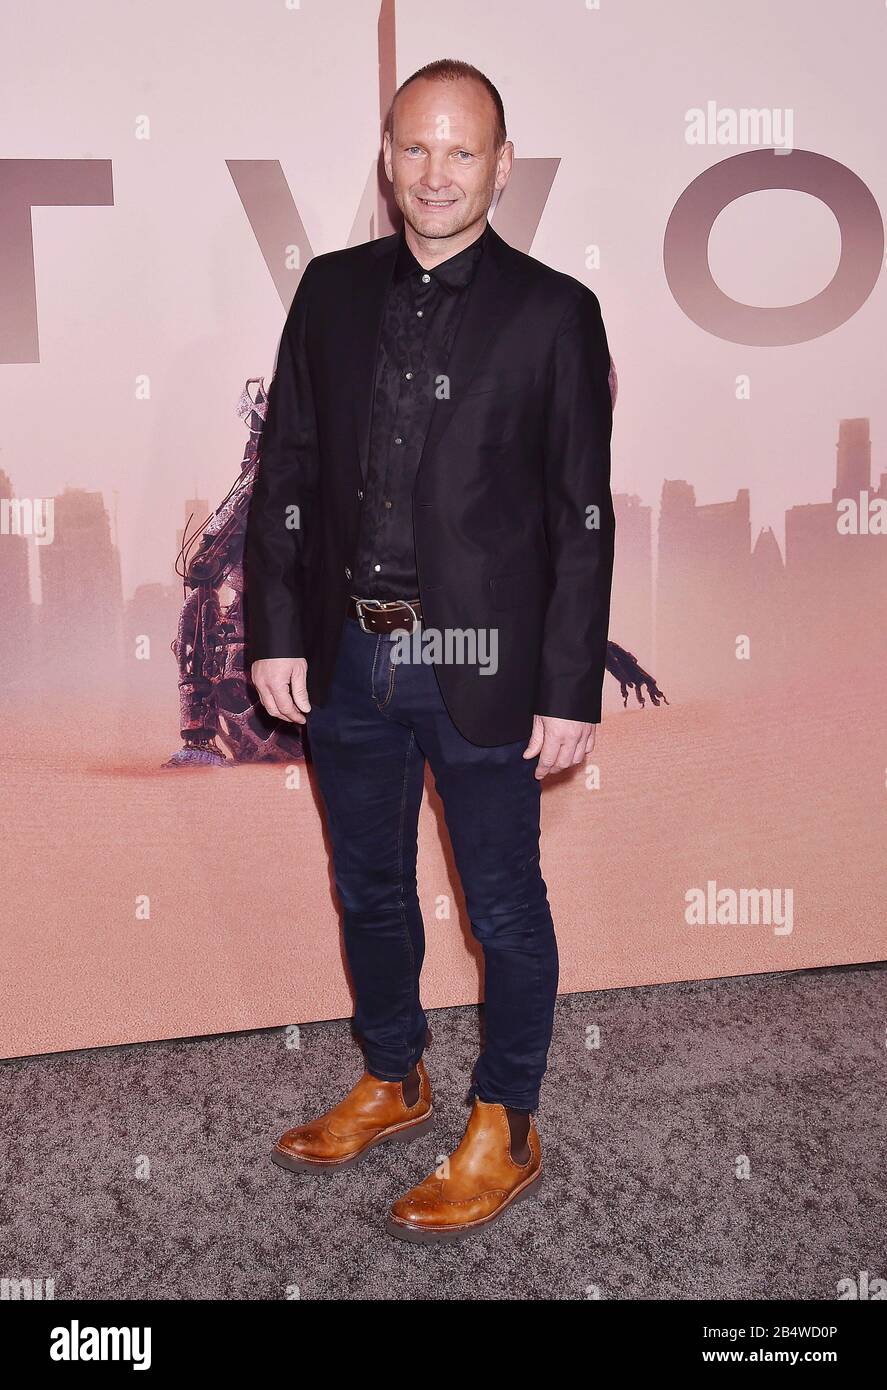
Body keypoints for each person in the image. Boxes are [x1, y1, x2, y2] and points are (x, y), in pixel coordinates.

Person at [245, 58, 615, 1243]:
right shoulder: (332, 291)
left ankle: (504, 1117)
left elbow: (579, 513)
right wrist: (274, 631)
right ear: (385, 160)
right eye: (414, 148)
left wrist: (567, 684)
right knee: (367, 886)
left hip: (484, 664)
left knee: (500, 907)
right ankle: (395, 1074)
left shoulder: (554, 311)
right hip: (351, 658)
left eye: (461, 151)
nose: (434, 173)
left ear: (501, 166)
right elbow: (286, 473)